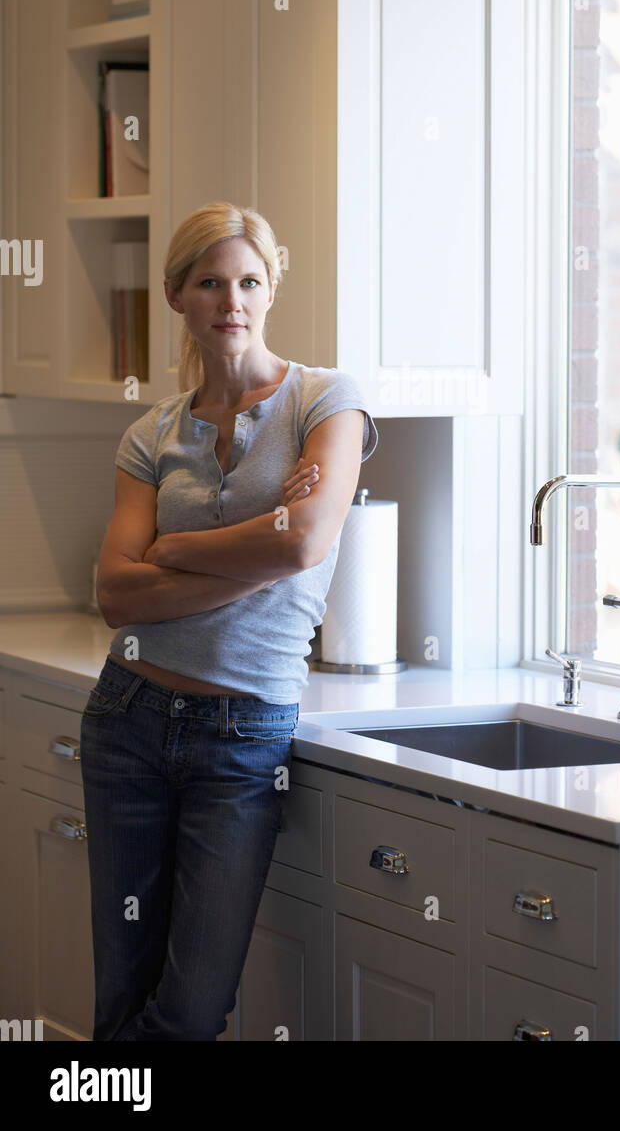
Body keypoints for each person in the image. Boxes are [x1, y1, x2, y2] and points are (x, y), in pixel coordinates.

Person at [81, 201, 378, 1040]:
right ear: (177, 295)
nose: (231, 300)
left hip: (243, 738)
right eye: (209, 282)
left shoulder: (327, 402)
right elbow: (114, 595)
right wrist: (251, 547)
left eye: (248, 281)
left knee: (190, 1010)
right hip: (127, 720)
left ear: (271, 288)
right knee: (123, 997)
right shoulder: (151, 434)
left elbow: (302, 546)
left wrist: (173, 551)